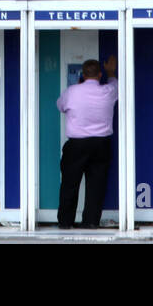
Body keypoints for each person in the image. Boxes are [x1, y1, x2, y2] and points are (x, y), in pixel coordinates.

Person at [56, 54, 118, 229]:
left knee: (70, 184)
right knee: (96, 186)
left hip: (76, 145)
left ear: (82, 75)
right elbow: (116, 84)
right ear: (100, 75)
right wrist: (111, 72)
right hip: (101, 144)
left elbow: (60, 106)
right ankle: (91, 222)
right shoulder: (109, 90)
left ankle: (65, 222)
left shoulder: (72, 91)